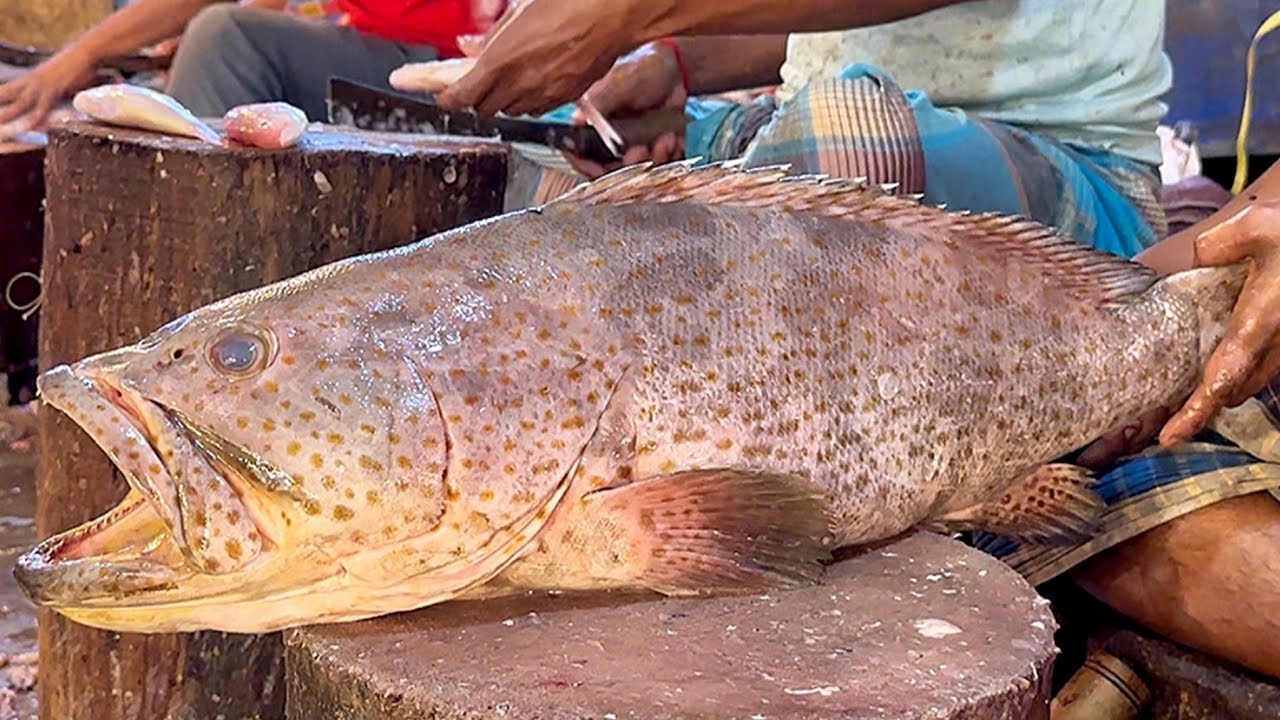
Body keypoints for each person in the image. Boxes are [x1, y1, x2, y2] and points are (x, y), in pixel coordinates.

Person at [436, 0, 1280, 679]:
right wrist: (677, 67)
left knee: (843, 131)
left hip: (1063, 176)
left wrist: (627, 12)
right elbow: (843, 35)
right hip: (834, 136)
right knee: (547, 175)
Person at [0, 0, 496, 137]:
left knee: (225, 35)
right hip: (384, 51)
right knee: (218, 44)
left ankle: (198, 293)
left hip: (450, 71)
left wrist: (78, 56)